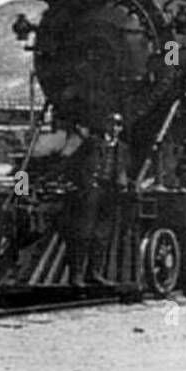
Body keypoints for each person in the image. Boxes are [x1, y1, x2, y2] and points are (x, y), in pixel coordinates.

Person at [64, 113, 130, 288]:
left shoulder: (122, 148)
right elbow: (74, 162)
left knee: (101, 234)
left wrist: (122, 183)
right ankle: (76, 275)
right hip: (91, 190)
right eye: (112, 124)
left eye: (118, 125)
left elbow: (122, 167)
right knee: (84, 232)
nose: (114, 128)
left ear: (121, 128)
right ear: (106, 125)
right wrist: (82, 183)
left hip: (109, 192)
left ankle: (95, 272)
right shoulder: (92, 142)